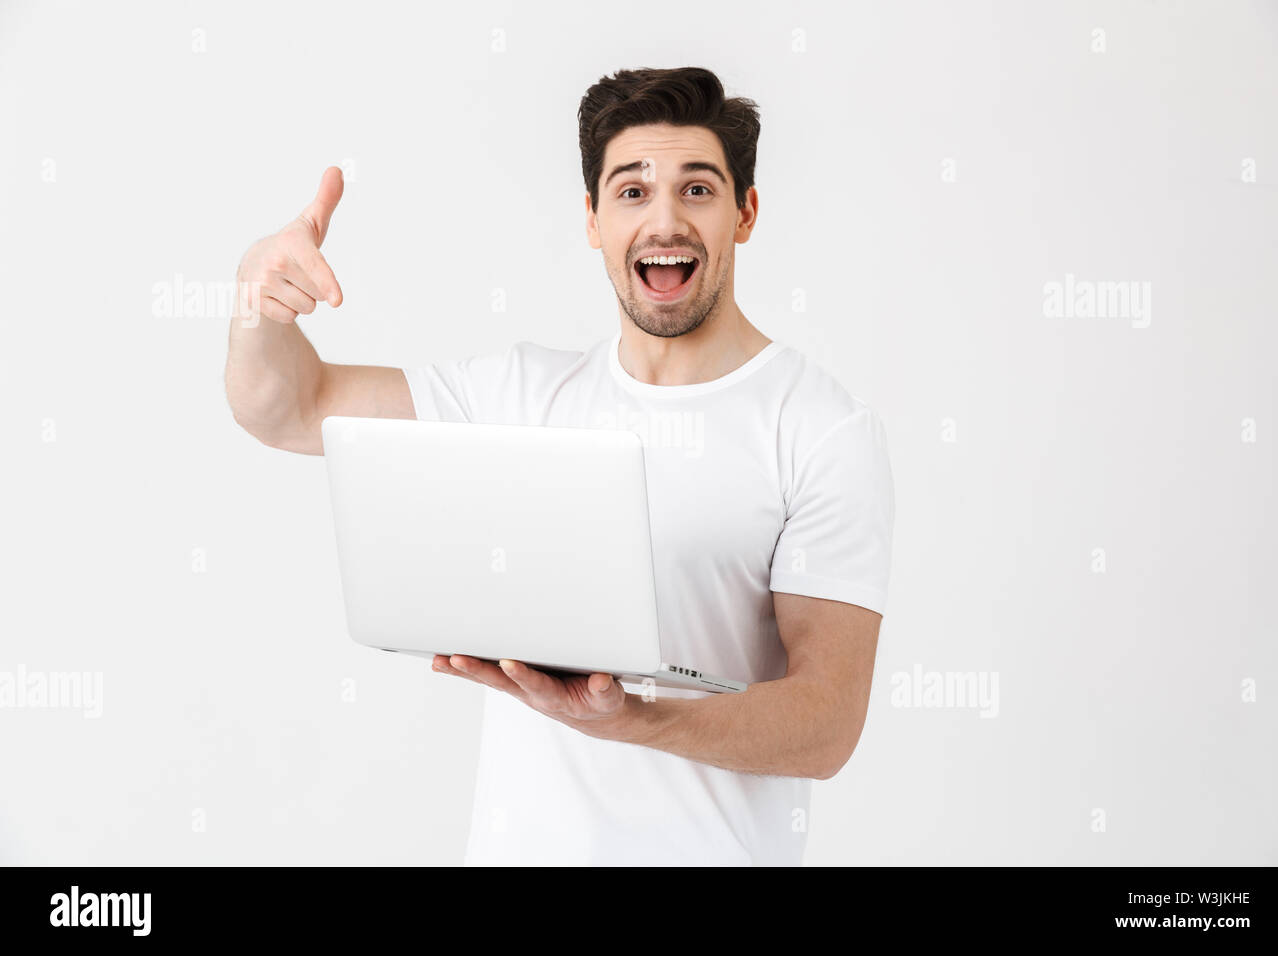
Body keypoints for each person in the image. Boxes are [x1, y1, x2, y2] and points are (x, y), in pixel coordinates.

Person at [224, 66, 895, 866]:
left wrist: (631, 719)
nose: (665, 220)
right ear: (593, 219)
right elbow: (288, 409)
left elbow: (826, 725)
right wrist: (255, 300)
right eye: (632, 191)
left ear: (744, 213)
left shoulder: (821, 429)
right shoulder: (518, 395)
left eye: (698, 189)